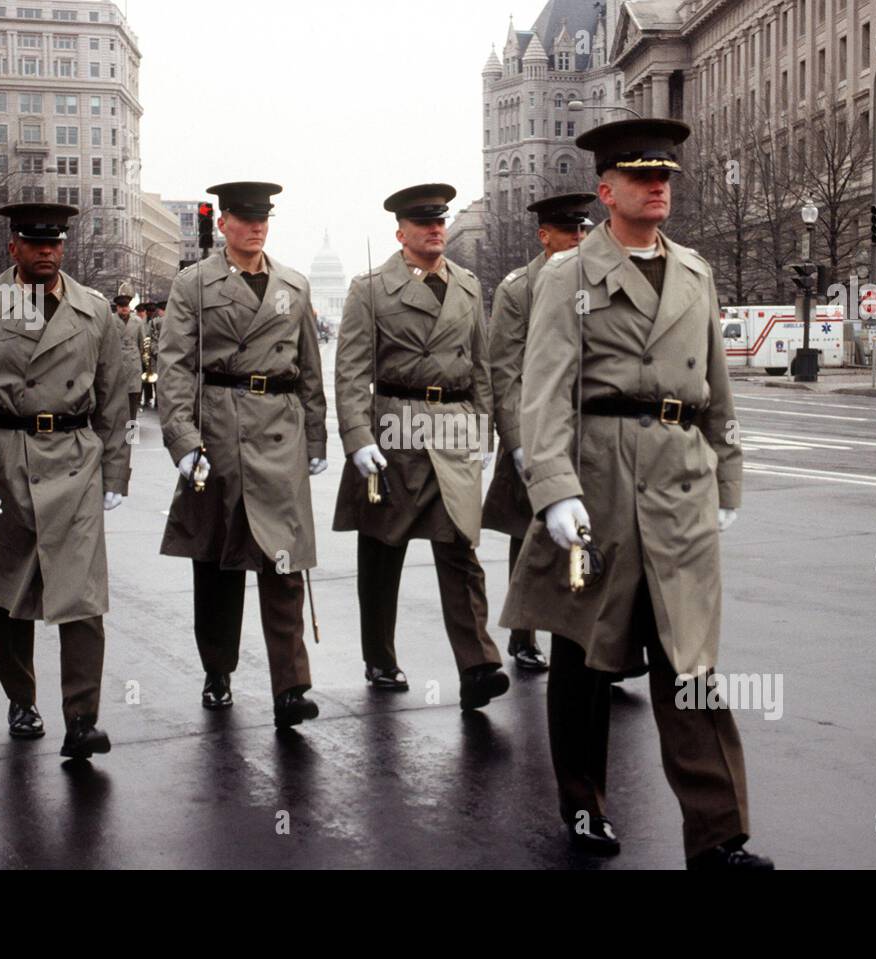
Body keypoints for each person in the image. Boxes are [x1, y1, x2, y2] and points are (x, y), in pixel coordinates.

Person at [499, 119, 772, 869]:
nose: (659, 186)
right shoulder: (567, 277)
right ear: (606, 189)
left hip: (680, 478)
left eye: (667, 176)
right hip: (602, 479)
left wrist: (726, 475)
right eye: (642, 176)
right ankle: (584, 804)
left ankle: (719, 835)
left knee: (690, 661)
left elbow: (717, 389)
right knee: (585, 652)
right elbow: (544, 393)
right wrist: (552, 489)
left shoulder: (695, 271)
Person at [0, 202, 131, 761]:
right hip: (7, 463)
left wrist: (116, 470)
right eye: (35, 243)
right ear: (14, 248)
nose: (47, 251)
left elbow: (113, 401)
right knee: (11, 593)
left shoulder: (94, 312)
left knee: (83, 597)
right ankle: (22, 699)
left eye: (55, 243)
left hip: (75, 459)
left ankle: (82, 719)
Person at [332, 183, 508, 710]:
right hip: (395, 426)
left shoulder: (470, 286)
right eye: (424, 222)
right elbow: (350, 372)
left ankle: (478, 664)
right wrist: (357, 438)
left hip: (452, 427)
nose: (436, 229)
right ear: (401, 232)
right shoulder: (371, 288)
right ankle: (380, 655)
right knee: (384, 548)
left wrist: (482, 429)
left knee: (460, 548)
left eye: (440, 220)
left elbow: (481, 366)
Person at [158, 182, 326, 729]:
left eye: (263, 219)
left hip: (278, 428)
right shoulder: (194, 284)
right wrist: (183, 441)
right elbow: (177, 366)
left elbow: (308, 372)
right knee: (217, 563)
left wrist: (318, 439)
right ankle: (218, 669)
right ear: (223, 222)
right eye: (245, 219)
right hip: (219, 427)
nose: (256, 228)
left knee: (284, 563)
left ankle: (291, 686)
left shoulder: (293, 285)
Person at [482, 192, 594, 673]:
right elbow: (504, 369)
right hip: (536, 425)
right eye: (569, 232)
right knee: (529, 533)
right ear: (543, 235)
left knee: (591, 530)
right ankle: (524, 633)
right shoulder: (517, 289)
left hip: (587, 426)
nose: (579, 239)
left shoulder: (596, 277)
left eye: (584, 231)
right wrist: (518, 440)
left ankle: (591, 639)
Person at [113, 294, 146, 423]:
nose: (124, 309)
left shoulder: (137, 321)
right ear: (117, 307)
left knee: (133, 395)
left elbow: (142, 342)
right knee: (117, 395)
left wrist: (144, 362)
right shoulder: (110, 320)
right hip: (117, 362)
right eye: (121, 307)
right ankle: (119, 423)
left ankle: (132, 423)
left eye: (126, 306)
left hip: (133, 363)